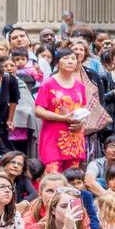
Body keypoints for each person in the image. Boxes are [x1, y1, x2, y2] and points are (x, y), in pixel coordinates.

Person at [34, 45, 90, 174]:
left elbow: (83, 110)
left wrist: (81, 123)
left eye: (73, 58)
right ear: (57, 62)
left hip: (75, 137)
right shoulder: (48, 84)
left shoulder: (80, 86)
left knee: (72, 177)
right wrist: (62, 118)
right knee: (53, 176)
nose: (70, 61)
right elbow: (38, 110)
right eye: (66, 58)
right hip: (53, 137)